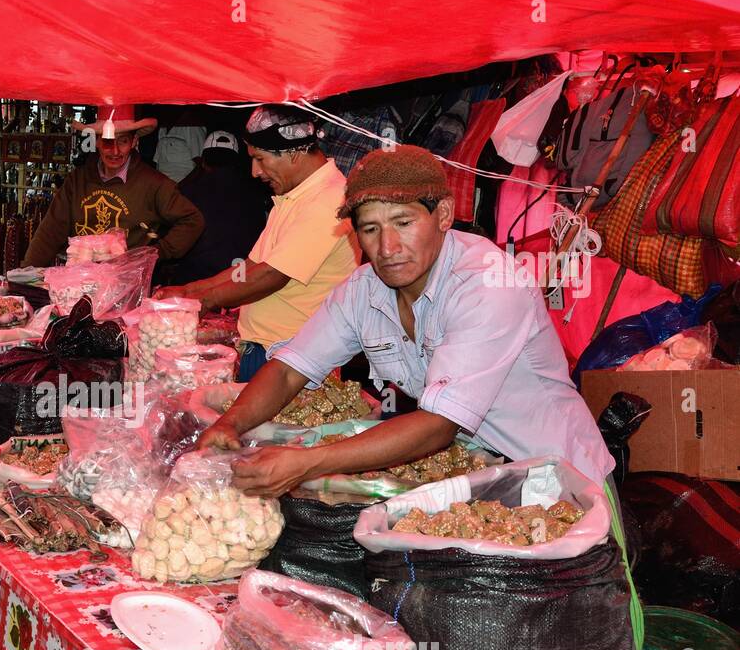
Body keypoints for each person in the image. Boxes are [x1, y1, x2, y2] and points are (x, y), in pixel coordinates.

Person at [197, 144, 614, 494]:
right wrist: (231, 423)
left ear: (444, 215)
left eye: (403, 222)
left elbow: (438, 425)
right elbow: (290, 370)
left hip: (561, 481)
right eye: (370, 229)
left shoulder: (488, 283)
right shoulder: (363, 290)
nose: (388, 246)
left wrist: (307, 463)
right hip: (482, 477)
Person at [157, 105, 360, 381]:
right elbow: (252, 267)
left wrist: (202, 301)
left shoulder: (328, 200)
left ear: (293, 153)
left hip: (293, 359)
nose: (254, 172)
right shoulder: (293, 196)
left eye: (260, 159)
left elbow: (273, 275)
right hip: (267, 350)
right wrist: (190, 290)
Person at [21, 104, 204, 267]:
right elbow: (50, 232)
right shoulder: (77, 181)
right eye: (108, 142)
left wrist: (155, 253)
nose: (115, 151)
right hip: (80, 284)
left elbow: (192, 220)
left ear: (134, 141)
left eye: (123, 141)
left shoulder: (154, 183)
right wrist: (24, 274)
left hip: (128, 287)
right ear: (97, 142)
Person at [162, 130, 269, 286]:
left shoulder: (188, 192)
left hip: (194, 280)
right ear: (236, 162)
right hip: (239, 279)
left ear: (203, 162)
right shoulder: (257, 193)